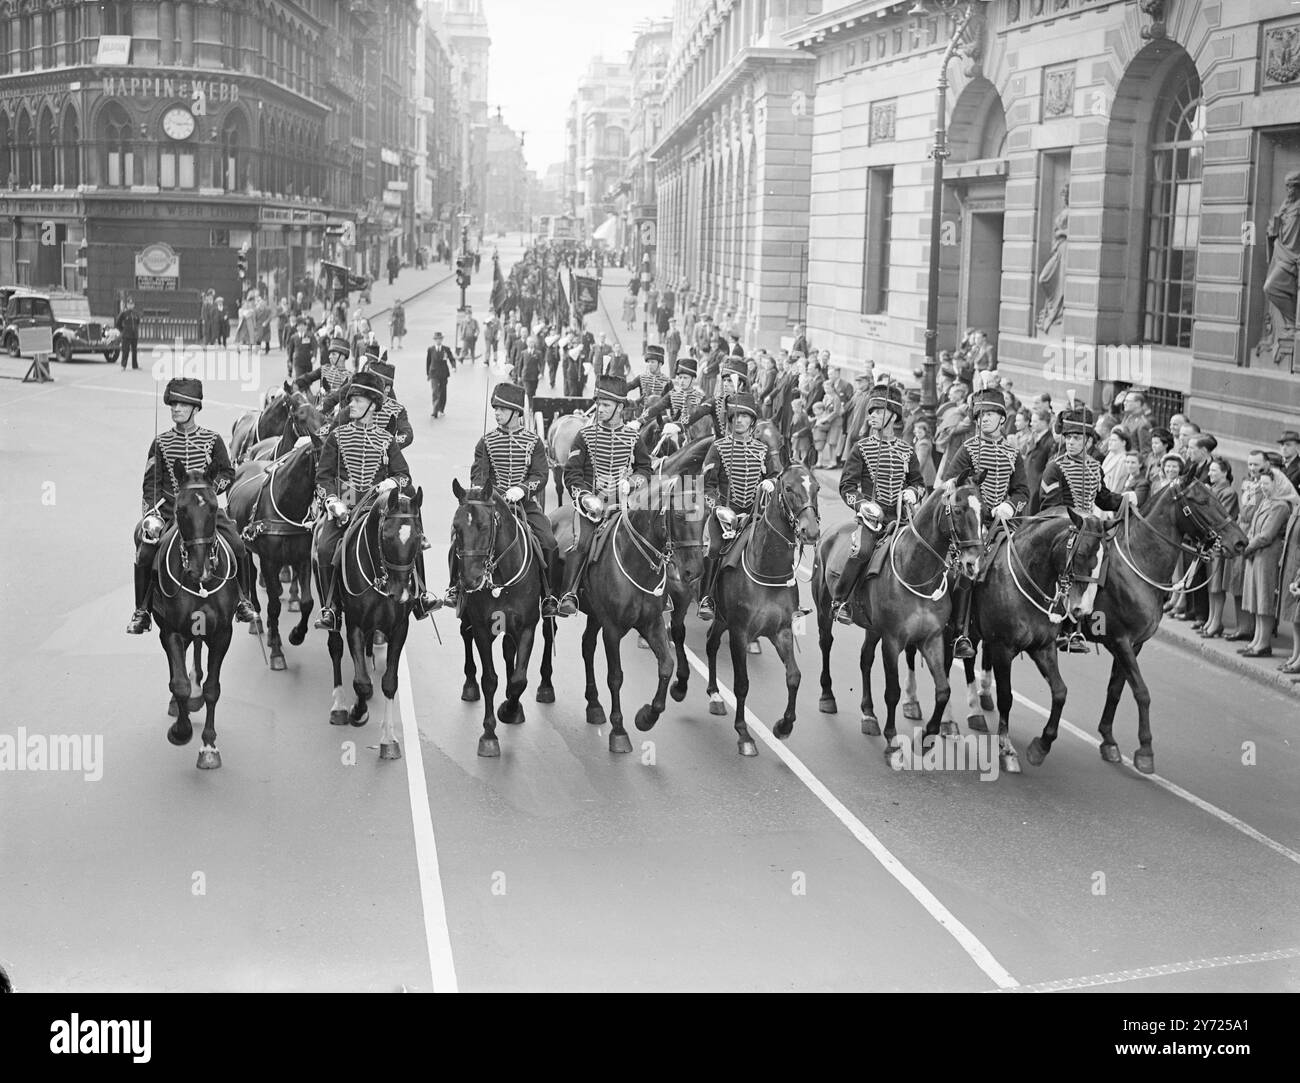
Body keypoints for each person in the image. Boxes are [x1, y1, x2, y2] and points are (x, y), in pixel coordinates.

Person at [126, 378, 257, 633]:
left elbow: (227, 473)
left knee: (239, 546)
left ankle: (243, 600)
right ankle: (141, 611)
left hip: (205, 511)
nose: (176, 409)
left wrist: (208, 492)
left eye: (183, 405)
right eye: (173, 404)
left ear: (195, 409)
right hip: (169, 511)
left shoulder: (212, 439)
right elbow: (150, 483)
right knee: (144, 551)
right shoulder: (161, 443)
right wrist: (151, 515)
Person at [312, 370, 436, 631]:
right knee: (324, 549)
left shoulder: (386, 440)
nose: (351, 405)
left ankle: (421, 596)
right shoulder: (337, 436)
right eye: (351, 400)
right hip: (345, 507)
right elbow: (322, 476)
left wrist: (392, 482)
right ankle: (331, 608)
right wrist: (332, 501)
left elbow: (404, 475)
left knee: (409, 540)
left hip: (378, 509)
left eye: (357, 400)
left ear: (373, 404)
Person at [444, 383, 561, 617]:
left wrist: (523, 489)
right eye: (495, 408)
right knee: (460, 536)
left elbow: (541, 475)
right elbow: (479, 475)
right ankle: (455, 588)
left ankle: (549, 596)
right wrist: (486, 492)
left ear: (516, 412)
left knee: (548, 541)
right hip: (491, 504)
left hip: (523, 504)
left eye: (502, 409)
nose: (496, 413)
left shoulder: (534, 442)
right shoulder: (486, 442)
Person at [940, 380, 1031, 657]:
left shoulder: (1013, 453)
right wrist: (964, 492)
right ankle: (960, 633)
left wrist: (1010, 506)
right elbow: (950, 481)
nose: (984, 419)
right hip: (973, 522)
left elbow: (1022, 490)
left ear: (1002, 418)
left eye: (989, 415)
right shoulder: (968, 448)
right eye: (980, 415)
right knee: (969, 569)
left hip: (1004, 522)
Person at [1032, 401, 1132, 650]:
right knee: (1067, 565)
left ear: (1088, 441)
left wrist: (1127, 501)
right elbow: (1051, 505)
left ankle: (1100, 622)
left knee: (1107, 561)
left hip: (1088, 530)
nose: (1071, 442)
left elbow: (1104, 499)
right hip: (1062, 528)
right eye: (1068, 437)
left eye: (1077, 438)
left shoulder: (1095, 467)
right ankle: (1064, 628)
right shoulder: (1055, 467)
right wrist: (1079, 519)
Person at [556, 376, 653, 617]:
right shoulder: (585, 435)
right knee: (580, 543)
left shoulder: (633, 438)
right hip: (591, 506)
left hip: (624, 505)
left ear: (620, 408)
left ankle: (658, 593)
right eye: (598, 404)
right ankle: (569, 593)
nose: (600, 409)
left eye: (606, 405)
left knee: (652, 539)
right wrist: (585, 497)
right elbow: (572, 472)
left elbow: (645, 469)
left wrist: (631, 483)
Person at [829, 383, 924, 624]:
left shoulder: (907, 451)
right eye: (870, 412)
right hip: (872, 520)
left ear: (893, 416)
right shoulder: (861, 448)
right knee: (861, 551)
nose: (871, 416)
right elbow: (847, 487)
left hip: (903, 520)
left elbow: (919, 483)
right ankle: (840, 601)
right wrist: (862, 506)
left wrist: (913, 492)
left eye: (878, 411)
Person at [697, 392, 783, 621]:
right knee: (714, 548)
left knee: (780, 546)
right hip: (726, 515)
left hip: (756, 515)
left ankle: (785, 601)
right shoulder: (718, 447)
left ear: (752, 421)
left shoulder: (762, 450)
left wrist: (771, 483)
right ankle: (707, 597)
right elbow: (706, 486)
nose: (739, 421)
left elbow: (778, 476)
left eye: (744, 417)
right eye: (735, 416)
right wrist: (717, 508)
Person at [1238, 466, 1300, 658]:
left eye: (1267, 483)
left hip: (1267, 556)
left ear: (1276, 483)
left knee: (1264, 599)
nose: (1263, 487)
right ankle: (1256, 640)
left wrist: (1247, 548)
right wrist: (1247, 542)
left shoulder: (1280, 506)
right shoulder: (1266, 501)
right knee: (1255, 597)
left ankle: (1263, 643)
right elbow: (1254, 528)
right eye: (1261, 483)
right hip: (1256, 555)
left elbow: (1267, 535)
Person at [1200, 456, 1239, 639]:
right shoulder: (1211, 489)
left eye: (1214, 470)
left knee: (1217, 585)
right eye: (1210, 470)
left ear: (1224, 473)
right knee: (1210, 584)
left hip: (1220, 542)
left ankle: (1217, 621)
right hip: (1209, 540)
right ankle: (1211, 619)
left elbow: (1222, 517)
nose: (1210, 473)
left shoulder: (1228, 492)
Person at [627, 344, 669, 415]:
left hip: (660, 415)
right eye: (648, 362)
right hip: (642, 414)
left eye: (652, 362)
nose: (649, 364)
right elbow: (628, 386)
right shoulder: (641, 377)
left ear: (660, 364)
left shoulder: (667, 381)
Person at [426, 330, 456, 418]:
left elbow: (451, 358)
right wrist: (428, 373)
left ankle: (441, 409)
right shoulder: (431, 349)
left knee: (443, 392)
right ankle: (435, 411)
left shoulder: (446, 349)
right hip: (434, 374)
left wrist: (453, 366)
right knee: (435, 391)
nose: (438, 341)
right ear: (434, 340)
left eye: (440, 339)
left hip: (443, 374)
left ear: (442, 340)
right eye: (436, 339)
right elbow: (428, 362)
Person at [115, 296, 141, 371]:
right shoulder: (124, 313)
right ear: (127, 305)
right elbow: (118, 323)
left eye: (132, 304)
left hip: (134, 335)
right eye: (129, 304)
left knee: (134, 351)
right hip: (126, 335)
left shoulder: (136, 313)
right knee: (125, 351)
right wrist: (123, 330)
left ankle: (135, 365)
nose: (131, 305)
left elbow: (138, 322)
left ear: (134, 305)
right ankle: (123, 365)